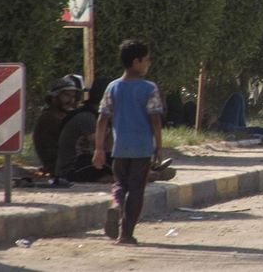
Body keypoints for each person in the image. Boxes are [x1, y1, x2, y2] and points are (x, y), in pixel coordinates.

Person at [93, 40, 165, 244]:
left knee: (120, 184)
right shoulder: (149, 88)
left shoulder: (112, 87)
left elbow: (102, 119)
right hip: (141, 149)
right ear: (136, 61)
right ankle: (126, 234)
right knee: (136, 190)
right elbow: (155, 120)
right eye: (146, 60)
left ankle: (116, 205)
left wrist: (98, 148)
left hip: (119, 148)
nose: (148, 64)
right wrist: (159, 147)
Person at [56, 75, 109, 183]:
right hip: (71, 169)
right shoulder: (87, 117)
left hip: (83, 163)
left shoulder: (92, 114)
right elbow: (99, 143)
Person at [33, 75, 82, 176]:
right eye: (66, 96)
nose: (71, 100)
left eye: (73, 96)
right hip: (60, 166)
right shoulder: (50, 118)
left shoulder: (63, 115)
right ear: (54, 97)